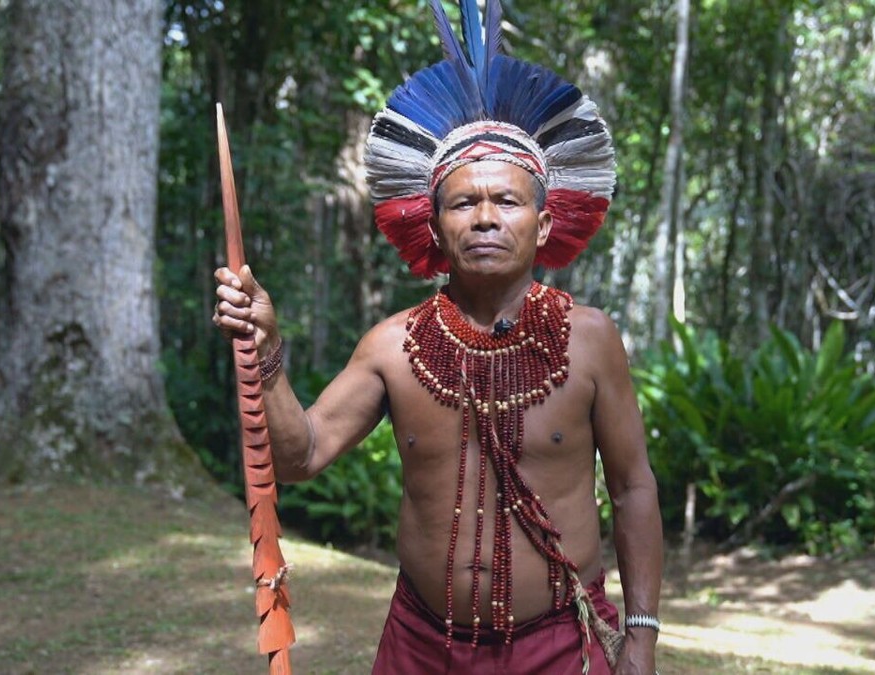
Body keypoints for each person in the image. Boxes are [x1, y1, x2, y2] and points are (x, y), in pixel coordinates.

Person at [213, 1, 662, 673]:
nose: (485, 218)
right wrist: (266, 354)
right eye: (463, 203)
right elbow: (300, 455)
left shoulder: (590, 340)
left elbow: (633, 489)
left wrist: (643, 636)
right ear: (434, 227)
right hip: (423, 648)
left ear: (543, 225)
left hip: (563, 644)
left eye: (508, 202)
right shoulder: (394, 346)